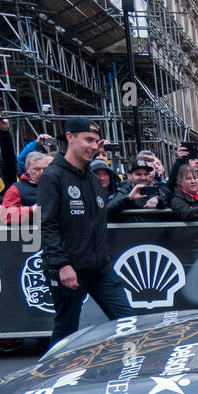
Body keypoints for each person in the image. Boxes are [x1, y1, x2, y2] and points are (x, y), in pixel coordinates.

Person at [37, 116, 132, 346]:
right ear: (70, 137)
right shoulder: (52, 176)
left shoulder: (91, 177)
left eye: (96, 141)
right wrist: (61, 265)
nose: (93, 146)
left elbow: (98, 217)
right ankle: (51, 378)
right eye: (88, 140)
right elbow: (48, 225)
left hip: (100, 269)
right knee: (66, 332)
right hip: (70, 270)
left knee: (129, 323)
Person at [1, 151, 50, 222]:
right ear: (27, 169)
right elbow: (5, 215)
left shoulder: (55, 184)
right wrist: (31, 210)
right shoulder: (16, 189)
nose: (42, 172)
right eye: (37, 169)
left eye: (45, 169)